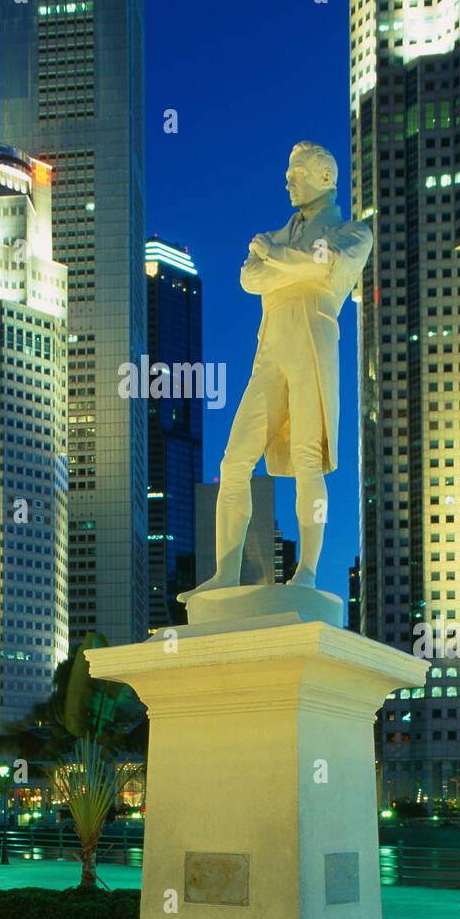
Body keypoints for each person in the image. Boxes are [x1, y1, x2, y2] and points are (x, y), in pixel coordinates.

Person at [181, 141, 372, 600]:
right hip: (270, 351)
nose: (287, 181)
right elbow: (251, 280)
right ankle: (225, 575)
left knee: (308, 459)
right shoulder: (279, 235)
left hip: (312, 340)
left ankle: (306, 571)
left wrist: (277, 257)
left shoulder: (354, 233)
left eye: (298, 173)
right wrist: (298, 266)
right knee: (233, 462)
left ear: (325, 178)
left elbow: (325, 266)